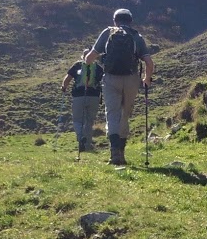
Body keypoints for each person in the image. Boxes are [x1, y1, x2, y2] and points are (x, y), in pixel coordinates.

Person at [86, 8, 153, 165]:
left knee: (112, 114)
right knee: (125, 115)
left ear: (115, 20)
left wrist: (100, 62)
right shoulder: (136, 36)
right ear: (130, 21)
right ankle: (121, 153)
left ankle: (114, 153)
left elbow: (89, 59)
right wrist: (147, 79)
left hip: (111, 79)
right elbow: (149, 63)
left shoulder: (108, 33)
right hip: (131, 79)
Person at [61, 49, 103, 152]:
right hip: (94, 97)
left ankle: (81, 138)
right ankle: (87, 145)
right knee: (89, 121)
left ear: (82, 56)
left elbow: (68, 78)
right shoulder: (98, 68)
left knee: (77, 120)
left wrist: (63, 87)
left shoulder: (77, 65)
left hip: (79, 96)